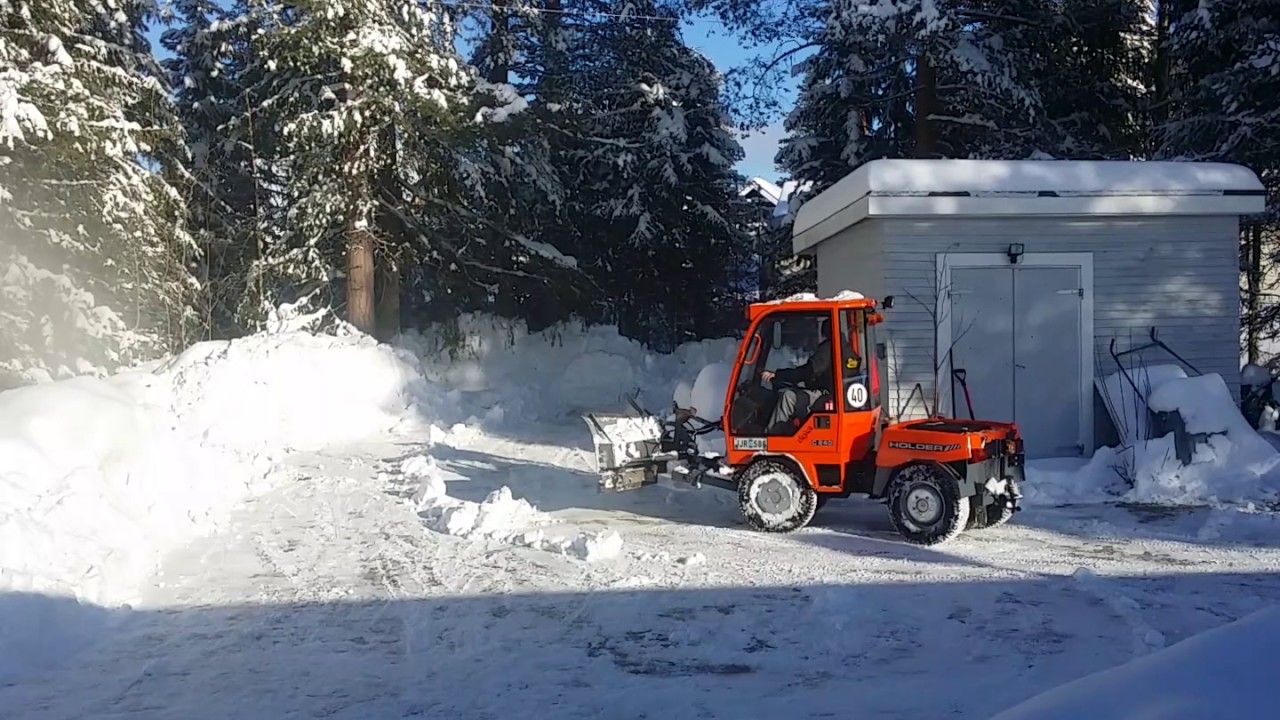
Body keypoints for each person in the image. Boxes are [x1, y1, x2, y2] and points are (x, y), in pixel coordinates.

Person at [761, 319, 833, 433]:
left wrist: (779, 375)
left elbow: (807, 372)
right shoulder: (845, 348)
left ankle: (770, 439)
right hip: (829, 393)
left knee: (788, 397)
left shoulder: (828, 349)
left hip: (826, 395)